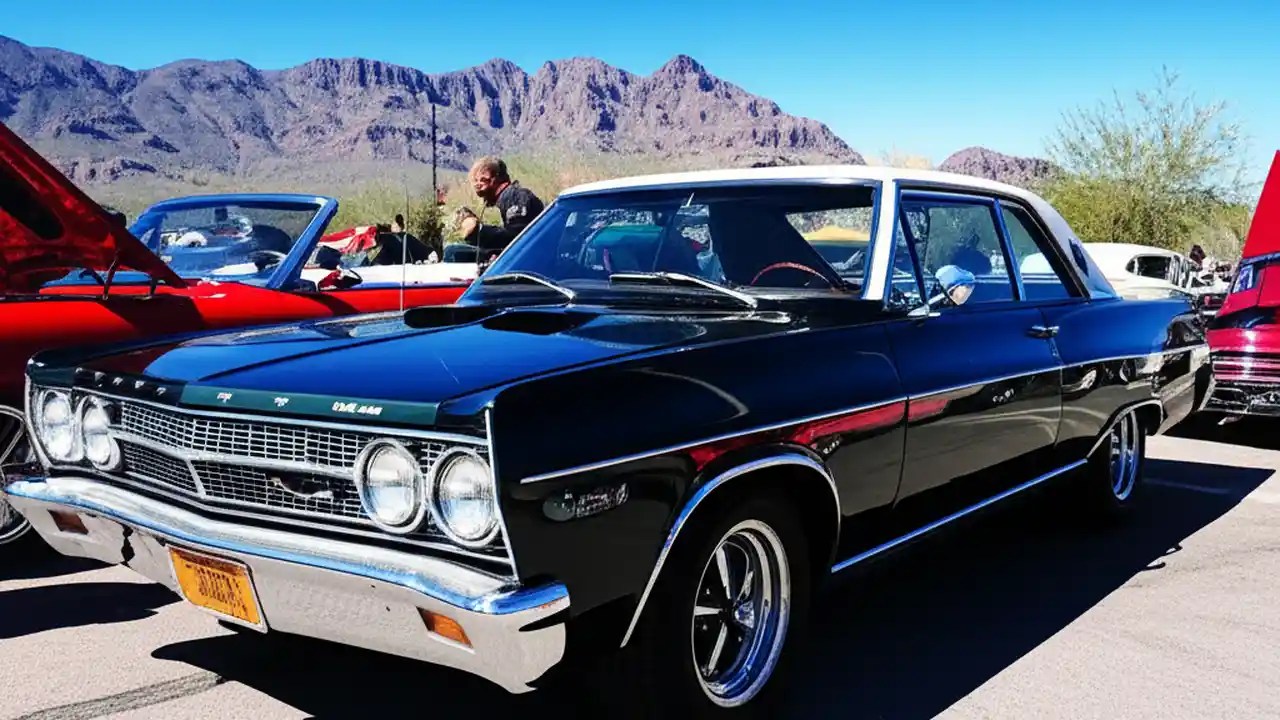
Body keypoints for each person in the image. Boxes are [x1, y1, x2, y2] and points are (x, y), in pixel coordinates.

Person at [448, 156, 545, 266]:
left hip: (532, 267)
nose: (478, 185)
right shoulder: (507, 198)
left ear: (498, 178)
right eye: (475, 180)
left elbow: (518, 238)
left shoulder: (515, 196)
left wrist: (479, 231)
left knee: (454, 252)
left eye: (483, 179)